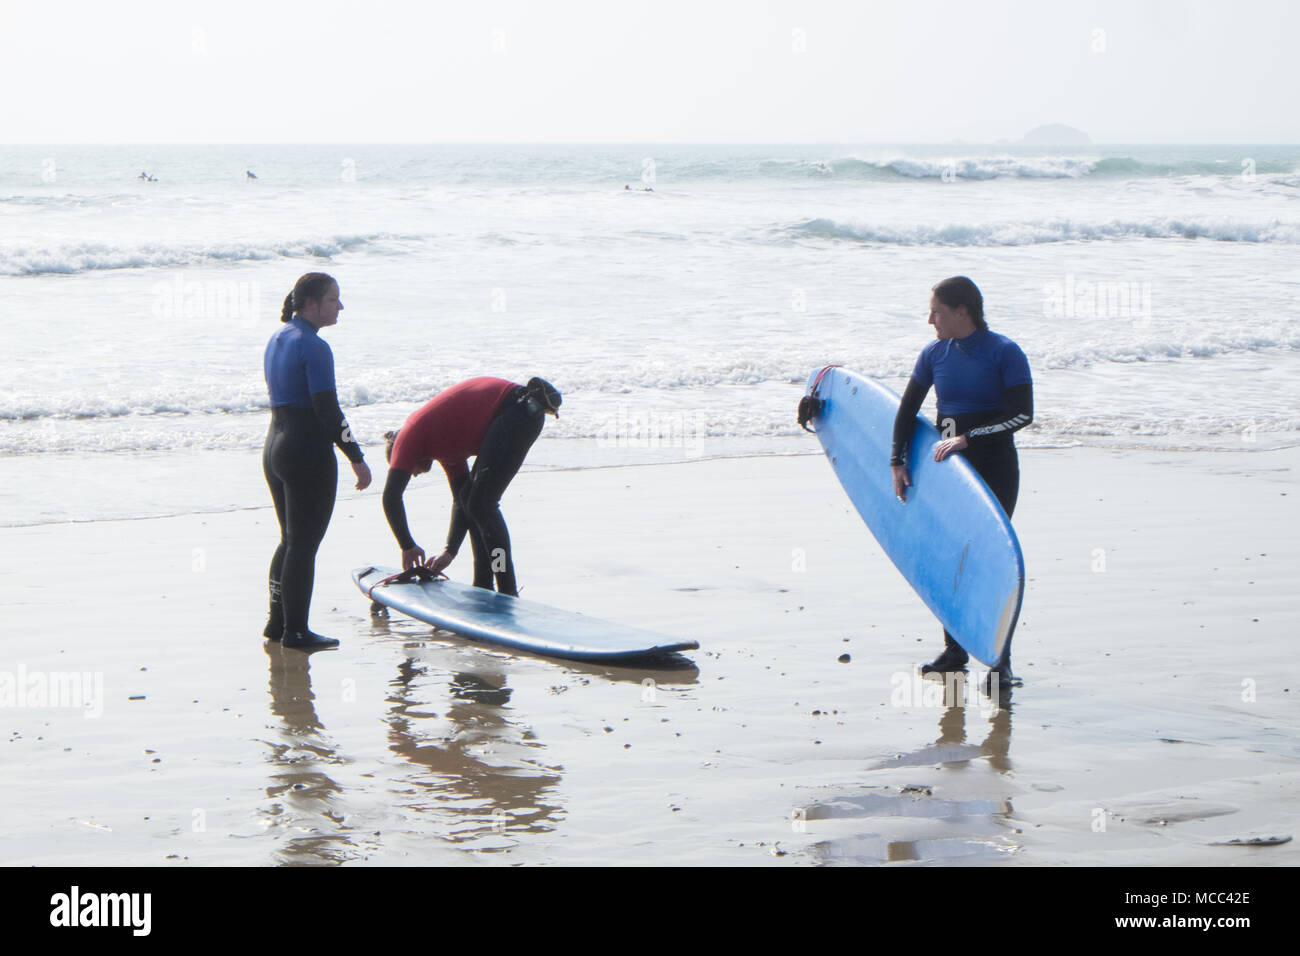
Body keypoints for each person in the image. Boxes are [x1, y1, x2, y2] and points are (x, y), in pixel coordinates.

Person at [890, 276, 1033, 687]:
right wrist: (897, 462)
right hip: (948, 471)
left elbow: (1023, 414)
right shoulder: (934, 354)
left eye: (936, 311)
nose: (930, 319)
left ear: (962, 312)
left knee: (988, 560)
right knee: (948, 558)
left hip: (994, 467)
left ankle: (999, 660)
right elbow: (906, 411)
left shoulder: (1005, 353)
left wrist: (969, 438)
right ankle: (954, 651)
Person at [263, 272, 371, 649]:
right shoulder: (314, 346)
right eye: (333, 299)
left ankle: (277, 624)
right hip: (305, 451)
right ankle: (296, 631)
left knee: (290, 541)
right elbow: (327, 409)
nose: (340, 306)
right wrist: (356, 457)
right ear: (311, 303)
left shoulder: (278, 338)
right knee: (303, 546)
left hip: (275, 446)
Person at [382, 376, 561, 596]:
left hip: (517, 411)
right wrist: (450, 551)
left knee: (482, 504)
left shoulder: (408, 437)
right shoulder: (443, 448)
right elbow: (461, 501)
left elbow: (390, 497)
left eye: (411, 470)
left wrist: (407, 545)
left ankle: (507, 591)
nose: (414, 474)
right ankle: (484, 584)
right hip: (520, 414)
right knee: (474, 501)